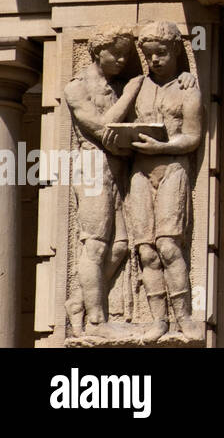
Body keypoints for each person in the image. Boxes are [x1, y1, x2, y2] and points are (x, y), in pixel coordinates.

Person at [124, 22, 204, 343]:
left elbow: (193, 137)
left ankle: (183, 317)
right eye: (149, 55)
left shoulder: (188, 89)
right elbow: (110, 122)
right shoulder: (137, 85)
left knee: (169, 246)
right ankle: (159, 319)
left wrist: (163, 147)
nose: (155, 60)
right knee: (146, 251)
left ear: (175, 52)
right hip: (140, 173)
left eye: (161, 53)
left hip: (172, 168)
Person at [63, 25, 141, 336]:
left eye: (126, 55)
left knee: (120, 245)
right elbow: (104, 128)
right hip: (93, 166)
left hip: (116, 168)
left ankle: (79, 301)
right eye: (116, 54)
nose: (122, 60)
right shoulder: (76, 88)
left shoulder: (117, 86)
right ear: (98, 52)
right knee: (95, 244)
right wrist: (133, 90)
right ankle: (96, 322)